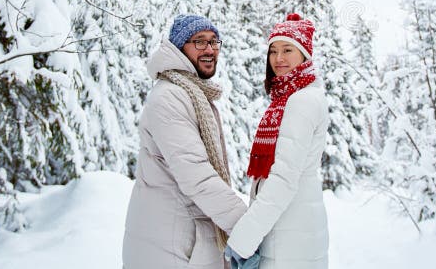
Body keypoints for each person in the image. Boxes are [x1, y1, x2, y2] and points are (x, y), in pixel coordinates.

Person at [123, 14, 247, 269]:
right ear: (180, 47)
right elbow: (197, 176)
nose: (210, 49)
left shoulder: (189, 93)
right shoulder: (169, 97)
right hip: (170, 245)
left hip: (184, 239)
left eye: (214, 42)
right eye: (199, 42)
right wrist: (246, 227)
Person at [225, 13, 329, 269]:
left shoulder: (301, 101)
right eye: (273, 51)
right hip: (293, 230)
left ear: (305, 54)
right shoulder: (293, 98)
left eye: (287, 50)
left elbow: (283, 178)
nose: (278, 59)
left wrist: (243, 239)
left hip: (290, 238)